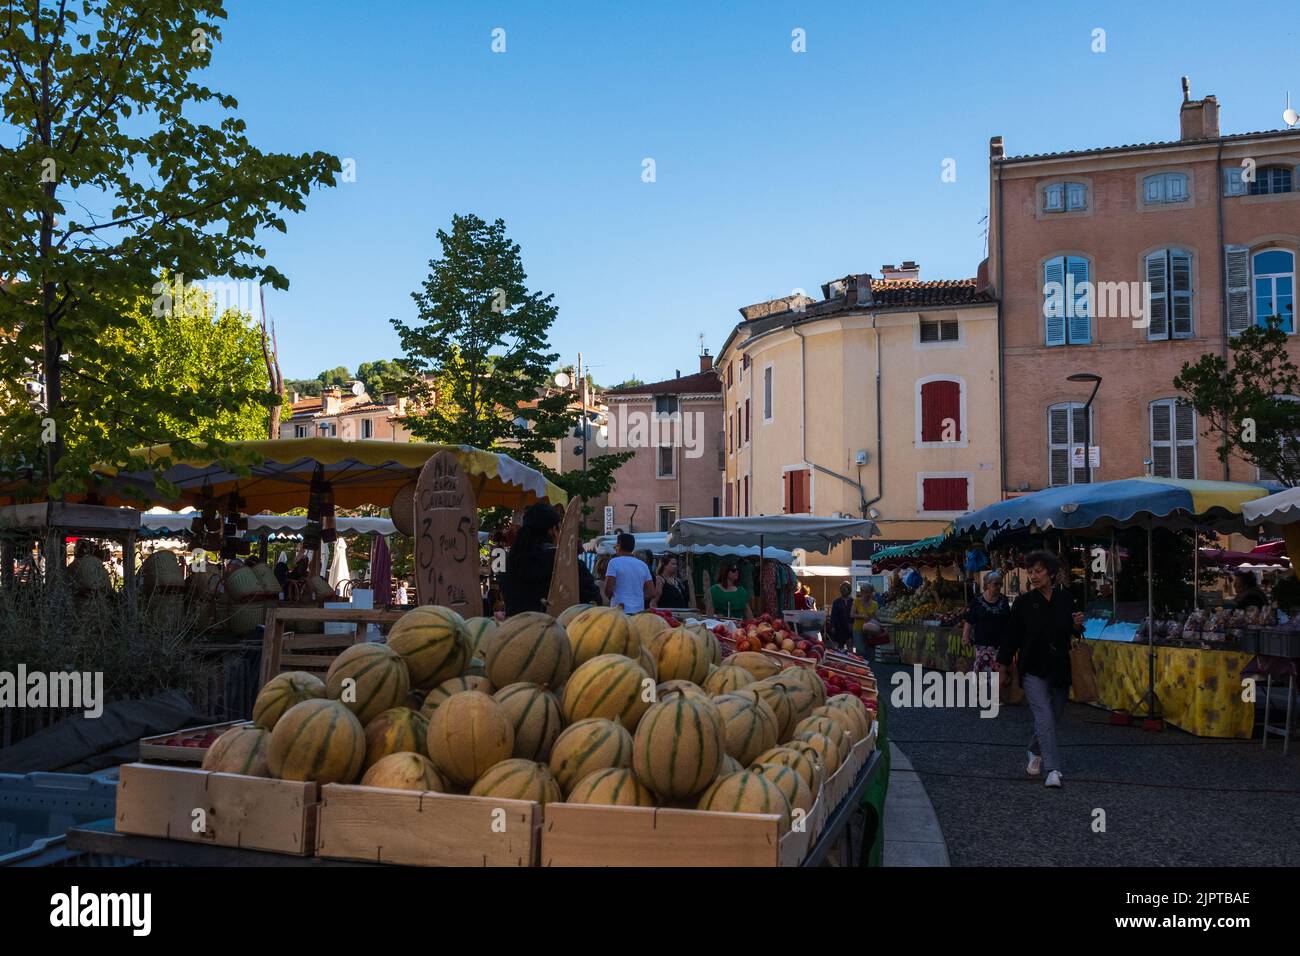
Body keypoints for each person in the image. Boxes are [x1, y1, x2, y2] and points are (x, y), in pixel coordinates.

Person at [998, 549, 1083, 790]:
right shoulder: (1024, 603)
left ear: (1052, 573)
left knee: (1053, 716)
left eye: (1038, 571)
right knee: (1043, 715)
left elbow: (1072, 631)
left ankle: (1035, 749)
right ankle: (1053, 769)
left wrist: (1077, 625)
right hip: (1032, 667)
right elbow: (1011, 637)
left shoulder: (1066, 599)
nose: (1033, 576)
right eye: (1030, 572)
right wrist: (1003, 667)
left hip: (1059, 667)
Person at [503, 502, 563, 616]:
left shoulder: (512, 560)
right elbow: (592, 599)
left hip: (513, 629)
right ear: (553, 530)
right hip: (550, 629)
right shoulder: (561, 561)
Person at [962, 571, 1011, 674]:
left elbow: (1008, 620)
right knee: (982, 672)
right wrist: (965, 636)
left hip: (1000, 645)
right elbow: (969, 620)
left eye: (1000, 584)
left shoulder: (1004, 600)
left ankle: (995, 689)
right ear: (987, 584)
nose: (998, 587)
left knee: (998, 674)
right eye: (995, 584)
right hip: (982, 645)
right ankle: (981, 690)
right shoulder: (977, 601)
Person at [604, 533, 654, 612]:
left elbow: (608, 589)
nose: (615, 548)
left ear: (619, 546)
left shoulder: (614, 562)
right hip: (638, 610)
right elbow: (651, 592)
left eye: (616, 546)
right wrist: (637, 598)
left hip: (619, 610)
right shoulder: (643, 565)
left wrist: (614, 598)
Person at [851, 583, 885, 660]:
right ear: (862, 592)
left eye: (869, 592)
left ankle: (870, 667)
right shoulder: (857, 601)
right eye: (865, 592)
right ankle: (860, 667)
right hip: (858, 629)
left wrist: (880, 624)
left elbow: (876, 617)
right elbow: (852, 614)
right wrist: (862, 616)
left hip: (870, 630)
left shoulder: (874, 604)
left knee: (870, 650)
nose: (867, 594)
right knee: (860, 650)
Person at [827, 581, 854, 650]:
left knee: (850, 646)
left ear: (849, 590)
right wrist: (832, 626)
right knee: (840, 647)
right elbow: (833, 614)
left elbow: (854, 613)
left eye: (845, 589)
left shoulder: (853, 601)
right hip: (839, 627)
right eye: (842, 589)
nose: (843, 591)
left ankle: (850, 659)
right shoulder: (836, 601)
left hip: (850, 627)